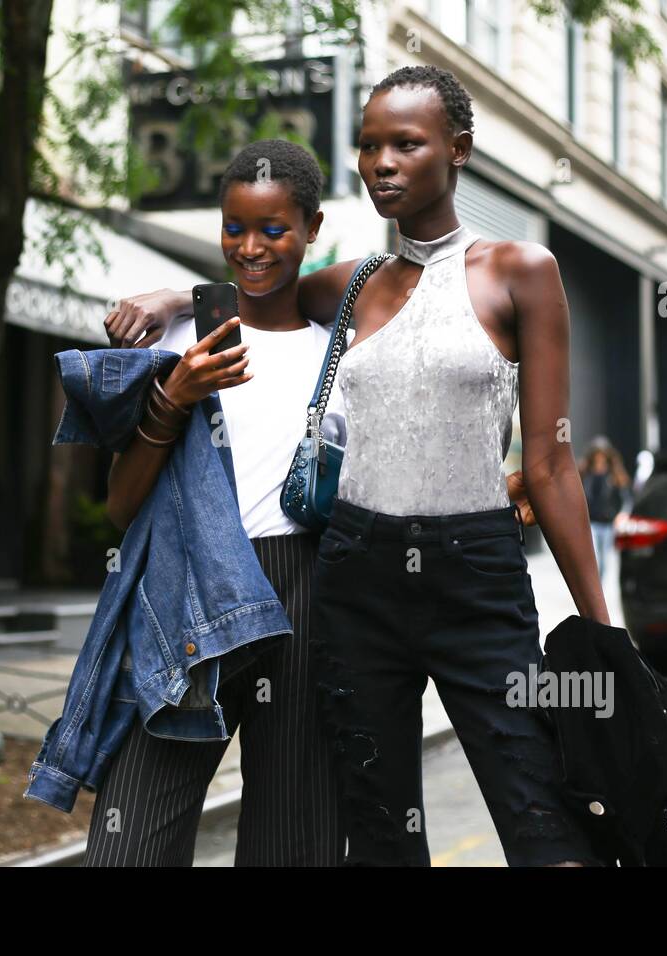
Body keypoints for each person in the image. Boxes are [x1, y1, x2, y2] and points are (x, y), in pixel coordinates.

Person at [107, 65, 610, 867]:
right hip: (355, 580)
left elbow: (549, 462)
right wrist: (175, 298)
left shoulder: (522, 271)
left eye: (406, 144)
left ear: (460, 150)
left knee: (543, 817)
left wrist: (601, 628)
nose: (382, 162)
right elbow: (257, 282)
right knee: (379, 834)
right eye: (369, 145)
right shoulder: (353, 287)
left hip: (476, 574)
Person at [82, 140, 347, 866]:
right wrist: (174, 395)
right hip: (191, 586)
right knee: (126, 846)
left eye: (274, 229)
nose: (251, 247)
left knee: (293, 847)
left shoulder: (339, 354)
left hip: (307, 597)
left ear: (313, 228)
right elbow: (120, 506)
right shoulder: (176, 337)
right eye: (235, 228)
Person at [579, 436, 630, 582]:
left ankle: (599, 586)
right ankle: (594, 585)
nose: (600, 458)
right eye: (597, 454)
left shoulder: (614, 473)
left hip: (608, 523)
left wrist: (622, 514)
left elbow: (625, 497)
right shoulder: (584, 473)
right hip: (591, 522)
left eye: (602, 454)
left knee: (604, 560)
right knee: (593, 556)